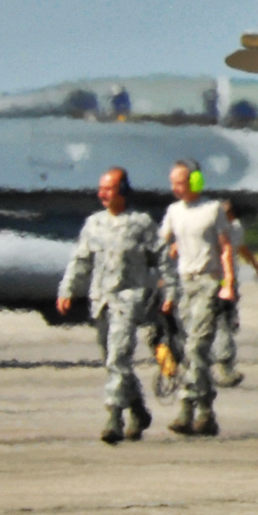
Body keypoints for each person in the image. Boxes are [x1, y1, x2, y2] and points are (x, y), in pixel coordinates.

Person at [57, 167, 169, 444]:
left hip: (129, 300)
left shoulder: (141, 224)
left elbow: (164, 260)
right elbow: (80, 260)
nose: (102, 194)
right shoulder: (93, 224)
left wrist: (170, 294)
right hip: (101, 301)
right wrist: (67, 290)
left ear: (122, 191)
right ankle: (138, 409)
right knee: (112, 361)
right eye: (101, 189)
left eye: (108, 189)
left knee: (118, 358)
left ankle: (113, 416)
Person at [158, 160, 237, 437]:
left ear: (195, 182)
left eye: (180, 182)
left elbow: (226, 248)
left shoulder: (212, 210)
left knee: (196, 347)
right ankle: (205, 412)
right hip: (183, 286)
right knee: (190, 350)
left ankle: (186, 407)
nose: (175, 188)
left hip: (207, 283)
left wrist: (228, 284)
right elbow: (164, 245)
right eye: (173, 183)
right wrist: (159, 277)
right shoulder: (173, 212)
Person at [209, 198, 258, 388]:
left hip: (224, 282)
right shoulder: (220, 228)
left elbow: (241, 248)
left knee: (224, 324)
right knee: (223, 324)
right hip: (215, 281)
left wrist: (257, 266)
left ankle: (218, 367)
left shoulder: (233, 228)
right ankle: (222, 368)